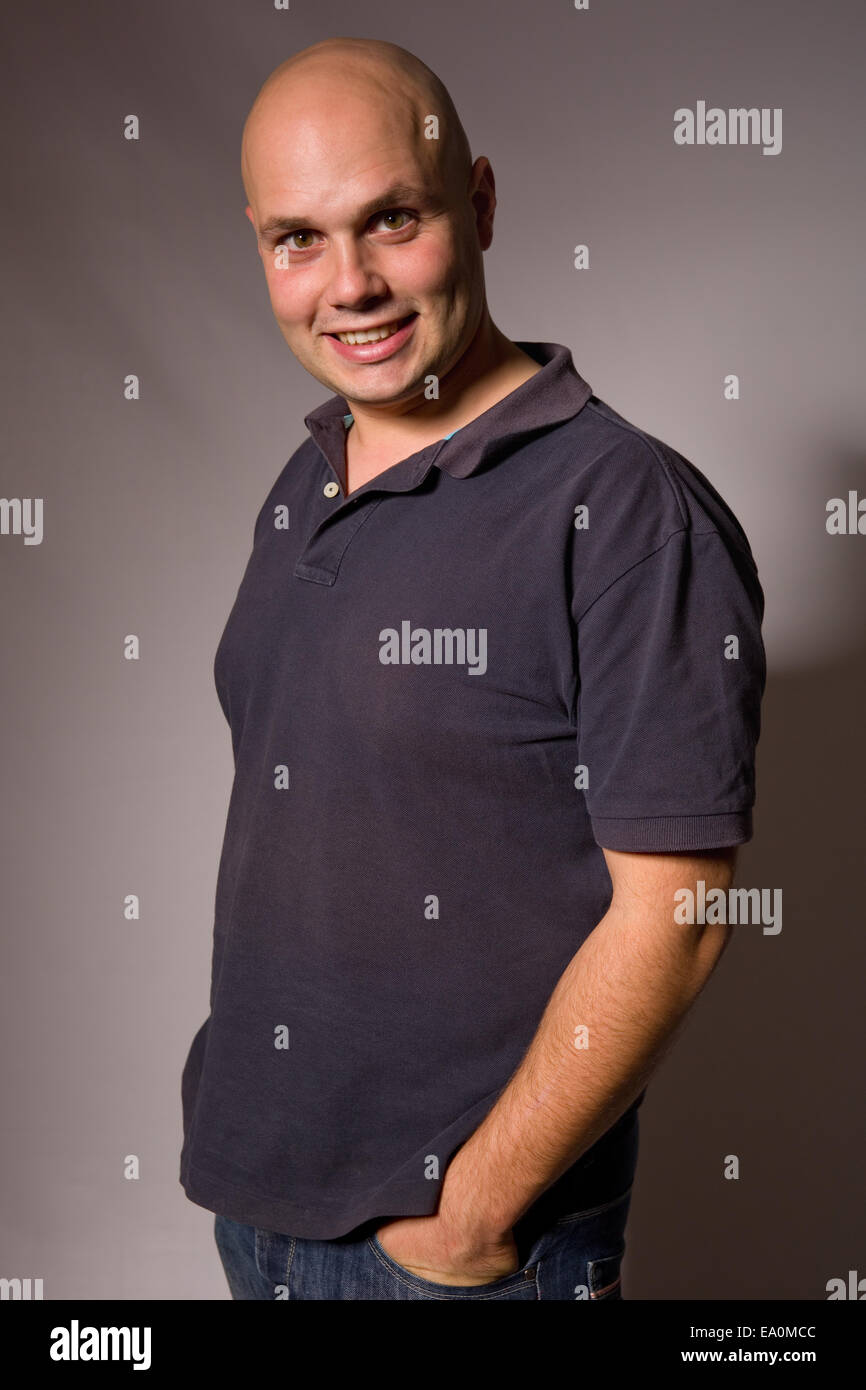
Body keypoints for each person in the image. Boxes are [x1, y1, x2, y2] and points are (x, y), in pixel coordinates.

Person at [179, 35, 766, 1301]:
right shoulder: (310, 473)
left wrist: (472, 1216)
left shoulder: (622, 510)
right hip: (257, 1205)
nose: (349, 286)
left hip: (457, 1255)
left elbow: (678, 913)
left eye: (391, 220)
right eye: (298, 239)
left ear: (479, 201)